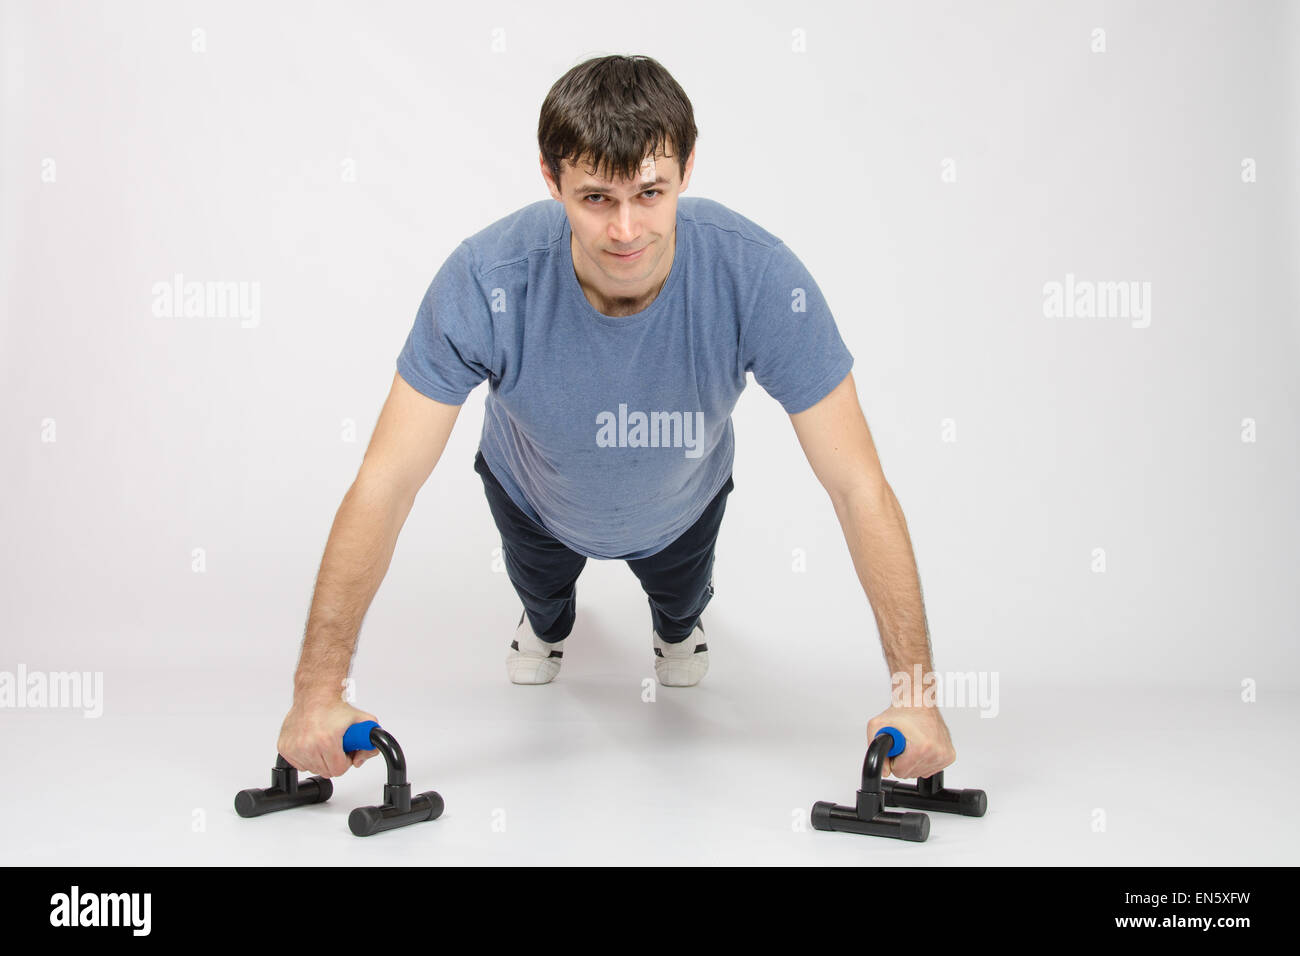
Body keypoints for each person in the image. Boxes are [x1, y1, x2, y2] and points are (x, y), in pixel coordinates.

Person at [277, 54, 956, 784]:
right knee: (543, 602)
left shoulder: (759, 278)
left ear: (687, 171)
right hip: (533, 496)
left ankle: (677, 630)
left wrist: (916, 698)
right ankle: (545, 626)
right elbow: (386, 482)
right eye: (597, 198)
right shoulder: (486, 280)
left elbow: (859, 485)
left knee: (680, 604)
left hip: (682, 504)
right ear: (551, 181)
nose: (626, 228)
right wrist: (317, 694)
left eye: (650, 192)